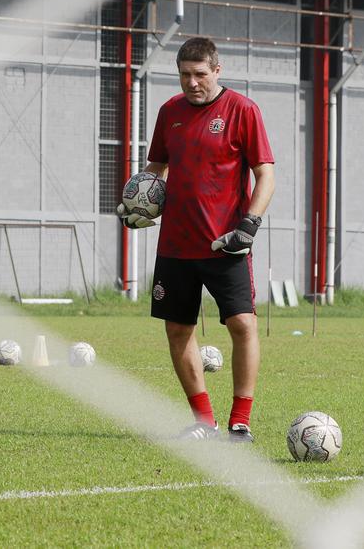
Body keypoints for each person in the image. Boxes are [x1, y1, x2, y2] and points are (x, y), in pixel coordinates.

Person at [118, 37, 275, 443]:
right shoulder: (169, 112)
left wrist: (249, 225)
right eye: (185, 74)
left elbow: (266, 175)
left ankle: (241, 420)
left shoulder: (242, 110)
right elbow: (157, 168)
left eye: (200, 74)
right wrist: (137, 203)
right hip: (175, 245)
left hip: (225, 243)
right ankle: (203, 420)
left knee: (242, 324)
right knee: (178, 331)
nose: (192, 83)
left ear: (217, 71)